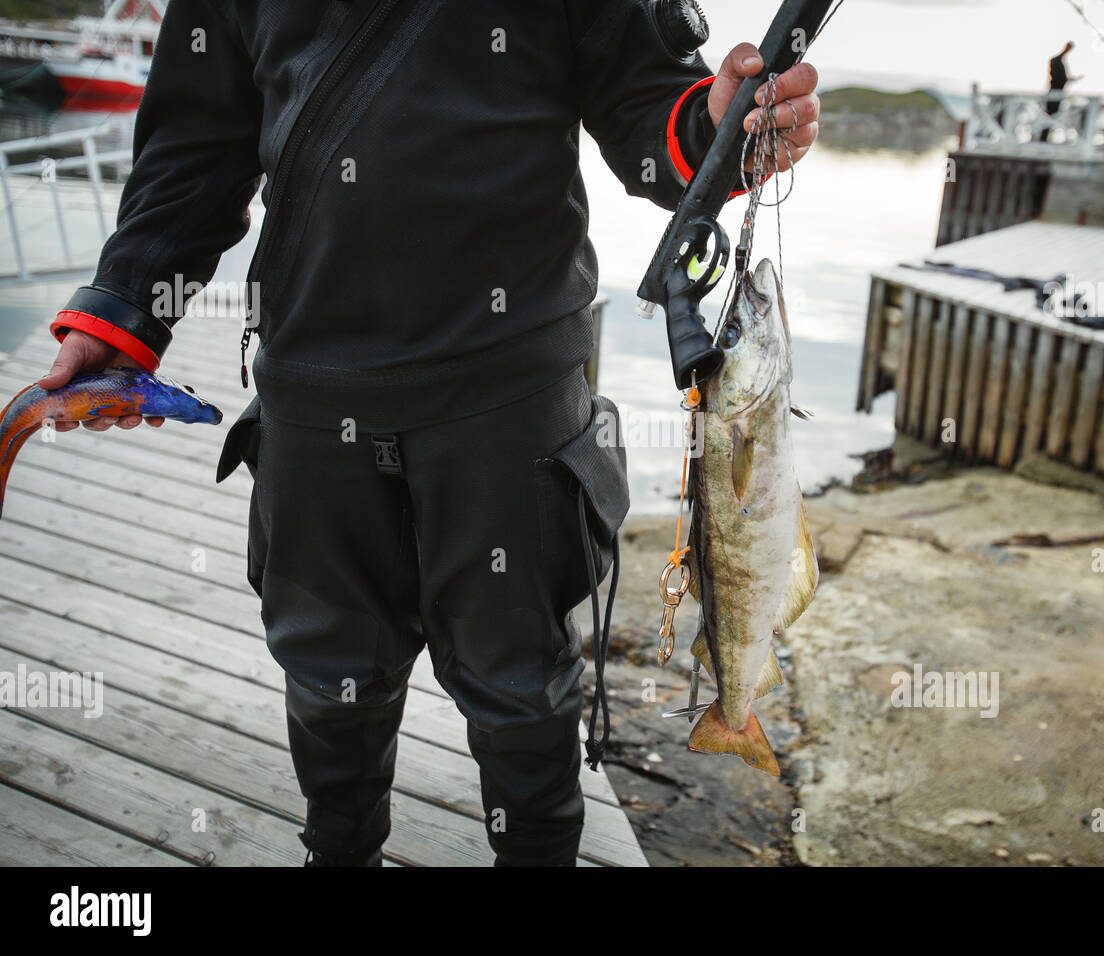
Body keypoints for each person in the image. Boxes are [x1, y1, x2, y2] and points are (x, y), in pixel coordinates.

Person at [36, 0, 820, 867]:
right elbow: (195, 147)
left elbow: (647, 108)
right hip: (309, 384)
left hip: (510, 393)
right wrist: (119, 315)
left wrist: (712, 125)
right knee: (329, 684)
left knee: (522, 696)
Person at [1040, 40, 1078, 142]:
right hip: (1054, 92)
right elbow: (1057, 77)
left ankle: (1045, 137)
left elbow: (1061, 78)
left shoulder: (1059, 61)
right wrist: (1067, 79)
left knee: (1052, 115)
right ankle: (1043, 138)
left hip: (1058, 92)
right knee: (1049, 114)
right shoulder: (1056, 60)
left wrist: (1069, 79)